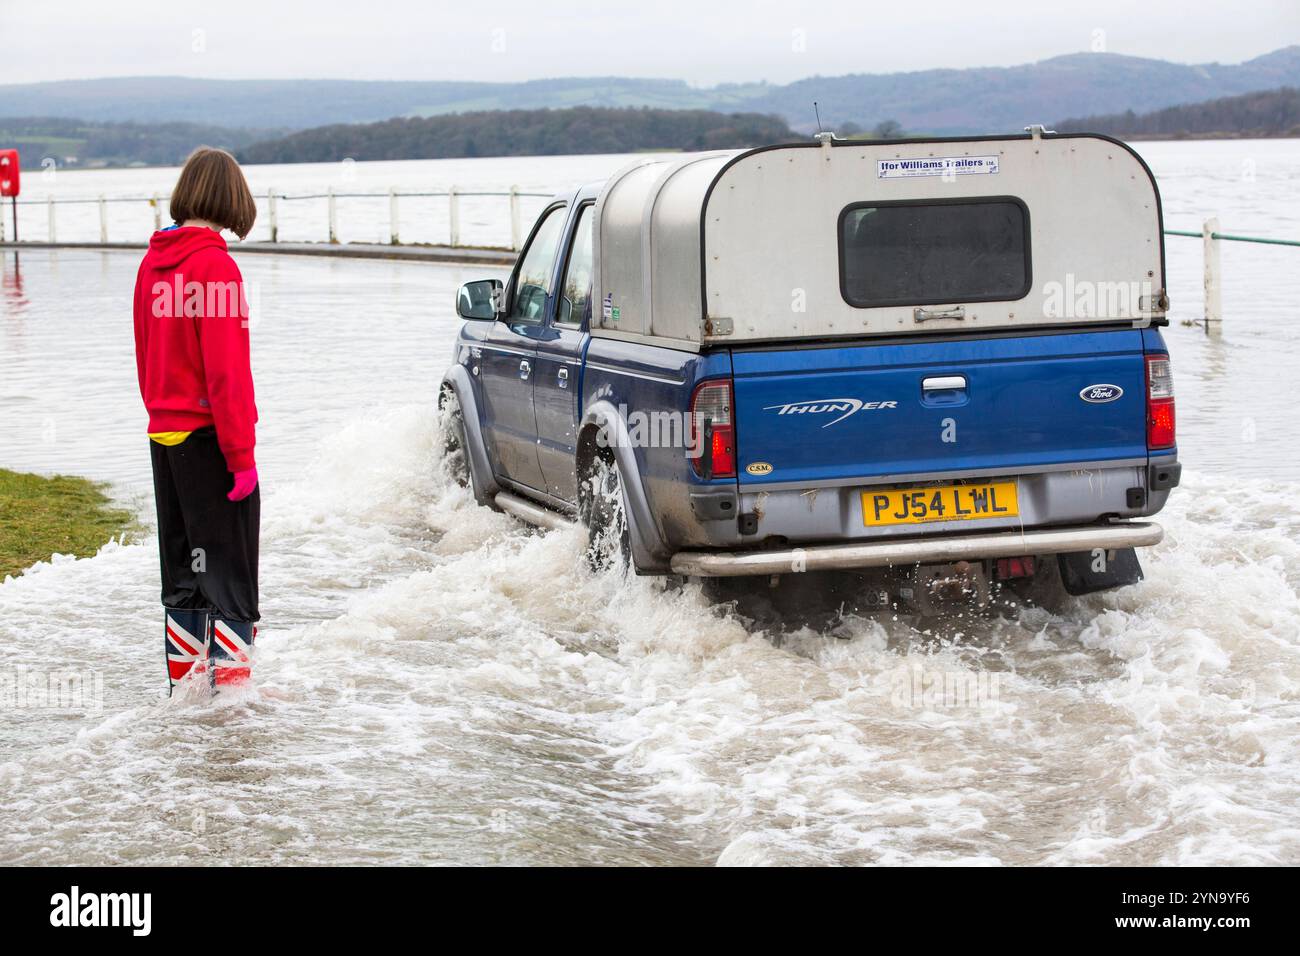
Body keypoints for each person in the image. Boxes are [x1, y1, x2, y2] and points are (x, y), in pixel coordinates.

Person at [133, 146, 260, 694]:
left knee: (184, 581)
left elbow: (145, 356)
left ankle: (185, 702)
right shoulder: (216, 268)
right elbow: (227, 377)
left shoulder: (151, 264)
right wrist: (242, 459)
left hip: (165, 440)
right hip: (212, 445)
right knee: (230, 583)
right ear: (231, 198)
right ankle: (233, 710)